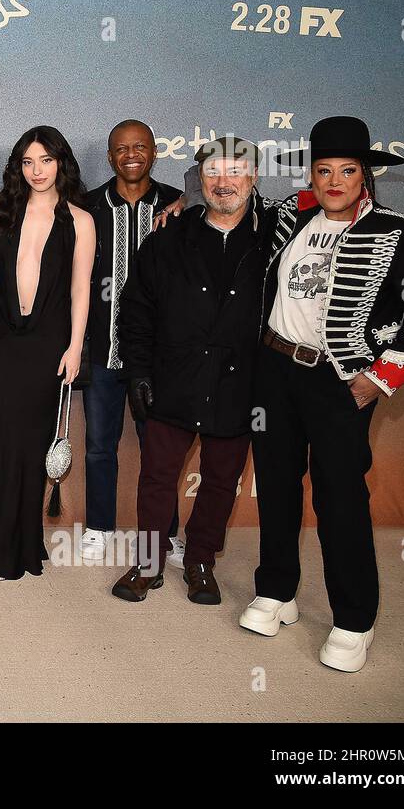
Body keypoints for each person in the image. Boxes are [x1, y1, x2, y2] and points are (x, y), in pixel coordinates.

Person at [242, 116, 404, 672]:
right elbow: (229, 210)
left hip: (339, 382)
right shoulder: (292, 216)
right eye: (324, 170)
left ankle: (355, 620)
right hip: (276, 371)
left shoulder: (400, 232)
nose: (334, 181)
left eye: (347, 170)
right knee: (278, 487)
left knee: (340, 500)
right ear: (312, 174)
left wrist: (378, 379)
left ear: (366, 176)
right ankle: (277, 590)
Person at [110, 137, 270, 605]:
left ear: (254, 177)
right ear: (199, 180)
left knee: (222, 480)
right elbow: (135, 309)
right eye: (214, 172)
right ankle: (148, 562)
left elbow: (326, 202)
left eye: (236, 171)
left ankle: (200, 560)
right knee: (157, 477)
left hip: (239, 384)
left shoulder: (276, 237)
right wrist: (139, 370)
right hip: (172, 377)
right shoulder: (166, 239)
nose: (225, 182)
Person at [0, 127, 95, 580]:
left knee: (30, 443)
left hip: (49, 343)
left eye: (45, 160)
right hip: (3, 339)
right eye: (27, 162)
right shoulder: (2, 212)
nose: (37, 171)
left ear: (61, 163)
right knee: (3, 439)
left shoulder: (79, 220)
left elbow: (82, 290)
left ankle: (17, 546)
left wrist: (76, 346)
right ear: (18, 167)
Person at [80, 119, 184, 563]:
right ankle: (100, 528)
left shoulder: (179, 208)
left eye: (140, 146)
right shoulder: (86, 208)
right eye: (121, 148)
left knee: (158, 450)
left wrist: (192, 196)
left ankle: (164, 535)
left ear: (154, 152)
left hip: (158, 358)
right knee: (99, 446)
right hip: (101, 350)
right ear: (110, 156)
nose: (131, 154)